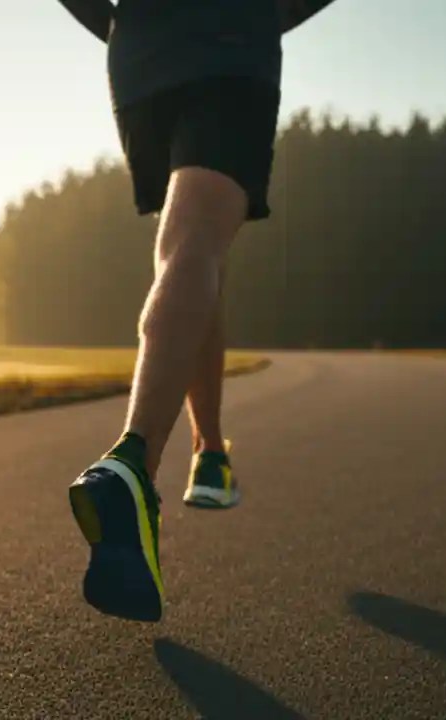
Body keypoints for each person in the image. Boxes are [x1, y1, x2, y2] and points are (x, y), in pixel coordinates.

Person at [58, 0, 338, 622]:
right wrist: (258, 19)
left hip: (141, 65)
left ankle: (209, 453)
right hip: (230, 47)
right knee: (195, 244)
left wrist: (124, 28)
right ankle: (134, 460)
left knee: (189, 248)